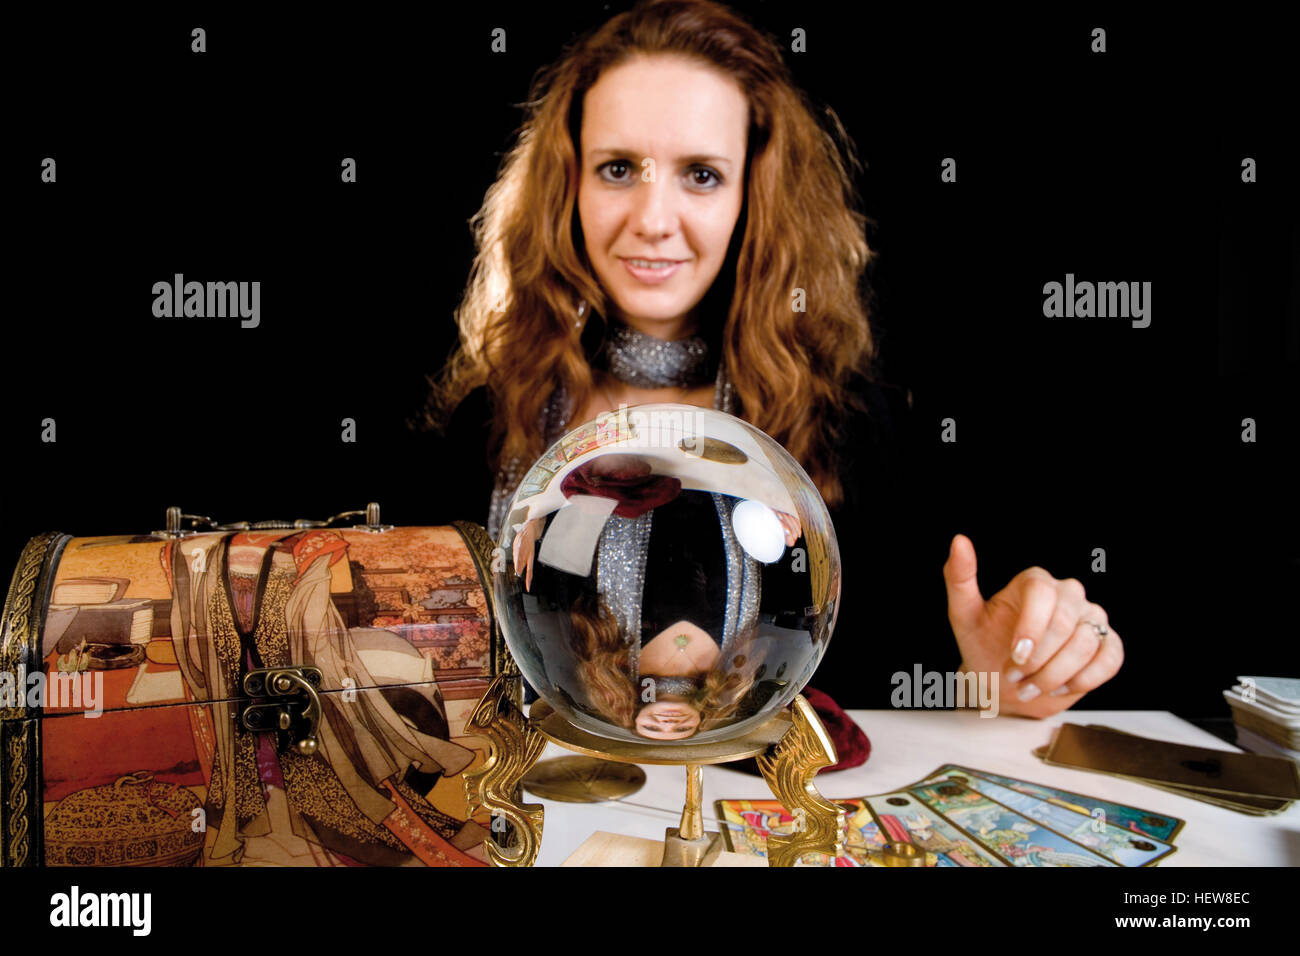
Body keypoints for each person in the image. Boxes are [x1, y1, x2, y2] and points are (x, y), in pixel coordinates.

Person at [417, 0, 1123, 719]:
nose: (653, 220)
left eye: (701, 175)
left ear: (754, 196)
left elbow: (892, 688)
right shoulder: (480, 421)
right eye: (619, 168)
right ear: (568, 185)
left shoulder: (847, 425)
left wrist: (990, 677)